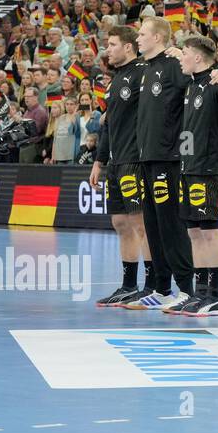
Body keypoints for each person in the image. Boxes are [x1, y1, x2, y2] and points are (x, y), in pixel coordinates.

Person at [131, 17, 196, 310]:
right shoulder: (147, 70)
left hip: (168, 159)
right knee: (152, 224)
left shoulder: (173, 65)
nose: (138, 39)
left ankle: (185, 288)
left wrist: (186, 151)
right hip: (146, 157)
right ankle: (161, 287)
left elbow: (197, 89)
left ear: (158, 38)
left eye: (143, 34)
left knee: (170, 224)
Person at [171, 35, 218, 316]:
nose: (181, 58)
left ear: (198, 58)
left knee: (210, 231)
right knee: (193, 232)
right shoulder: (192, 85)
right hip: (188, 168)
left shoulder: (216, 83)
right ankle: (198, 292)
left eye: (185, 53)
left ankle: (214, 294)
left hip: (209, 168)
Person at [91, 25, 150, 308]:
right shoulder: (115, 80)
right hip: (115, 160)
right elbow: (109, 124)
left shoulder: (143, 72)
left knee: (140, 222)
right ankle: (128, 285)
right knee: (120, 222)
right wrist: (100, 160)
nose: (107, 49)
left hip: (135, 159)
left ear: (128, 47)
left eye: (112, 44)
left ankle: (152, 286)